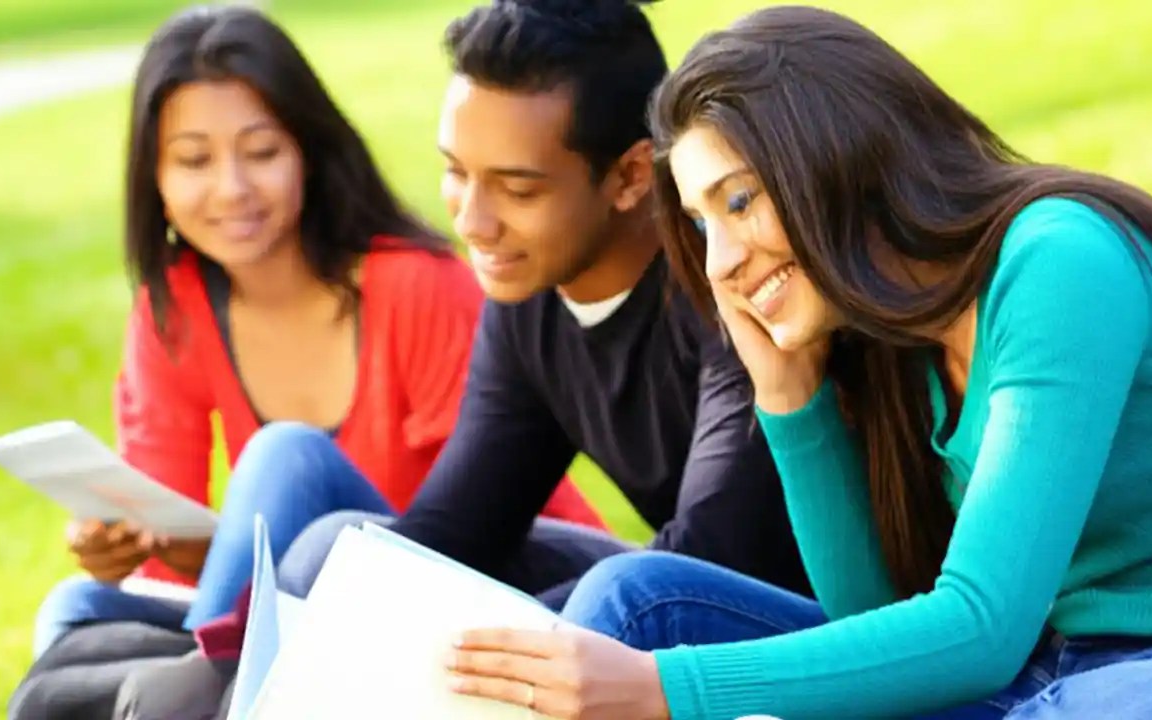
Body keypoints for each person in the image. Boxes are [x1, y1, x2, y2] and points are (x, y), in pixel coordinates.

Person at [440, 6, 1152, 719]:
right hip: (1039, 674)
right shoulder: (893, 332)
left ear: (834, 159)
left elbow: (982, 627)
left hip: (1146, 670)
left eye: (739, 202)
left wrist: (667, 689)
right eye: (700, 223)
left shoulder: (1059, 261)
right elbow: (873, 625)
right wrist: (791, 399)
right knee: (638, 598)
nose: (719, 261)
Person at [111, 0, 811, 717]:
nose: (472, 222)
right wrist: (320, 627)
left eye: (517, 188)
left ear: (632, 176)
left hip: (805, 642)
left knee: (621, 596)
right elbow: (454, 532)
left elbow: (705, 560)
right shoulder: (528, 300)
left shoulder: (727, 281)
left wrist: (428, 647)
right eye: (456, 172)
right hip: (668, 595)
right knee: (345, 550)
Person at [18, 2, 603, 709]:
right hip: (299, 602)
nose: (232, 188)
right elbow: (197, 550)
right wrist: (130, 543)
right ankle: (219, 688)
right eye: (195, 160)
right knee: (76, 610)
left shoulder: (416, 284)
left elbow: (472, 521)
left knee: (285, 455)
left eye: (261, 152)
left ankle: (212, 694)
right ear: (155, 178)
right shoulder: (175, 307)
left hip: (493, 594)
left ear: (309, 153)